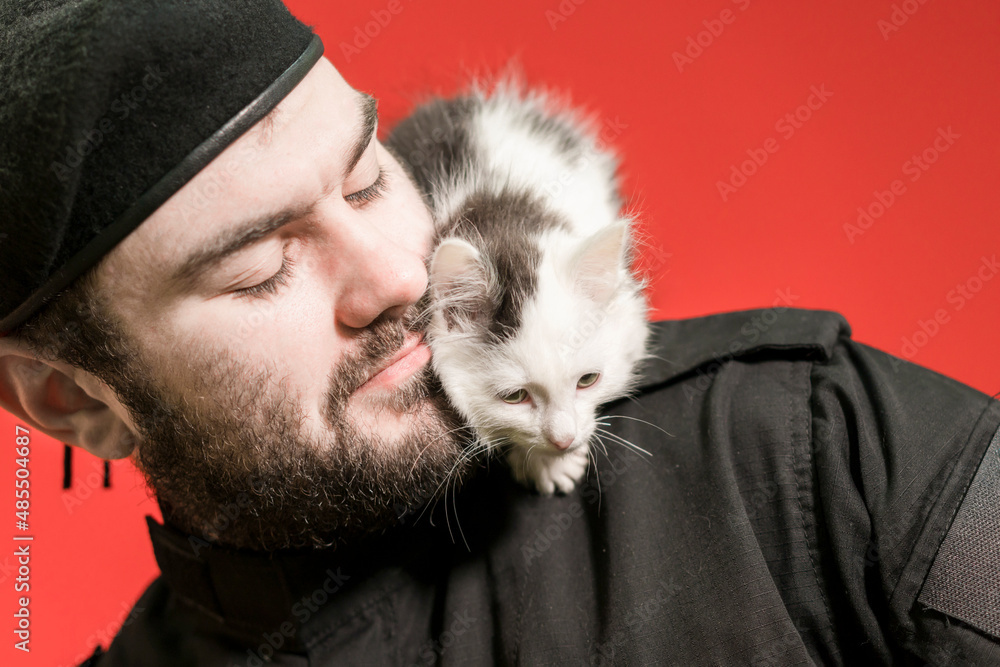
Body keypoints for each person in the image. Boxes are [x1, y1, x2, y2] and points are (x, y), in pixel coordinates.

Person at [1, 1, 997, 665]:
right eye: (261, 262)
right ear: (73, 398)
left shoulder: (809, 449)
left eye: (366, 175)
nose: (399, 274)